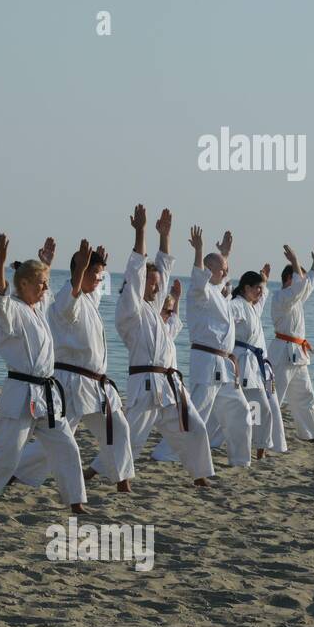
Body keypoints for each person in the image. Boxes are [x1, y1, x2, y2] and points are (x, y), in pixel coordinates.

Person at [0, 235, 88, 513]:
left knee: (67, 447)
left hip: (46, 395)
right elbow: (0, 299)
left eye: (46, 283)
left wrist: (46, 263)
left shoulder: (37, 308)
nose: (45, 289)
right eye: (41, 284)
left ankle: (76, 503)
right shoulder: (12, 311)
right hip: (20, 393)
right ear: (24, 285)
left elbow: (44, 292)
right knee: (7, 456)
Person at [12, 239, 136, 495]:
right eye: (94, 274)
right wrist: (81, 268)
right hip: (70, 383)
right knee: (57, 440)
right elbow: (75, 293)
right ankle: (14, 471)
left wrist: (99, 267)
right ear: (79, 273)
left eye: (100, 275)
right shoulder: (65, 302)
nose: (99, 280)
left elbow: (94, 288)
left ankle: (122, 481)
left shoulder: (89, 300)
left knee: (119, 428)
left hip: (95, 385)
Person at [114, 206, 214, 485]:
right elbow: (135, 273)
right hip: (145, 383)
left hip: (170, 385)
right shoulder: (129, 311)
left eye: (158, 285)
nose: (158, 289)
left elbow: (165, 269)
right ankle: (118, 478)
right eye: (153, 284)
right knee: (130, 437)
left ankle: (200, 474)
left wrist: (165, 236)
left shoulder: (153, 308)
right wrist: (140, 232)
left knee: (195, 427)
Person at [181, 226, 252, 468]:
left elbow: (223, 285)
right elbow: (201, 278)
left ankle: (240, 460)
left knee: (241, 410)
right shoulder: (199, 292)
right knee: (197, 412)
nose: (227, 272)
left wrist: (225, 254)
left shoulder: (217, 293)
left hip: (224, 364)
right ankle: (168, 452)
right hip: (208, 361)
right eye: (223, 269)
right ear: (210, 270)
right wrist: (200, 251)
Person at [227, 265, 287, 459]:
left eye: (261, 289)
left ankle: (259, 447)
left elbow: (260, 302)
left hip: (255, 366)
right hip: (242, 364)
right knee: (255, 408)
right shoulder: (236, 304)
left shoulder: (251, 306)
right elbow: (225, 314)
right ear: (246, 288)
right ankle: (257, 447)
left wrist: (264, 282)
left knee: (258, 409)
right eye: (257, 288)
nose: (260, 293)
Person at [270, 243, 314, 443]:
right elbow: (301, 286)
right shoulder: (281, 297)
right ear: (288, 279)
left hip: (299, 354)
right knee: (275, 396)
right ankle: (266, 436)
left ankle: (310, 434)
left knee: (305, 395)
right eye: (296, 275)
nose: (301, 281)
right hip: (282, 353)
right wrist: (294, 261)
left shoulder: (296, 299)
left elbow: (309, 282)